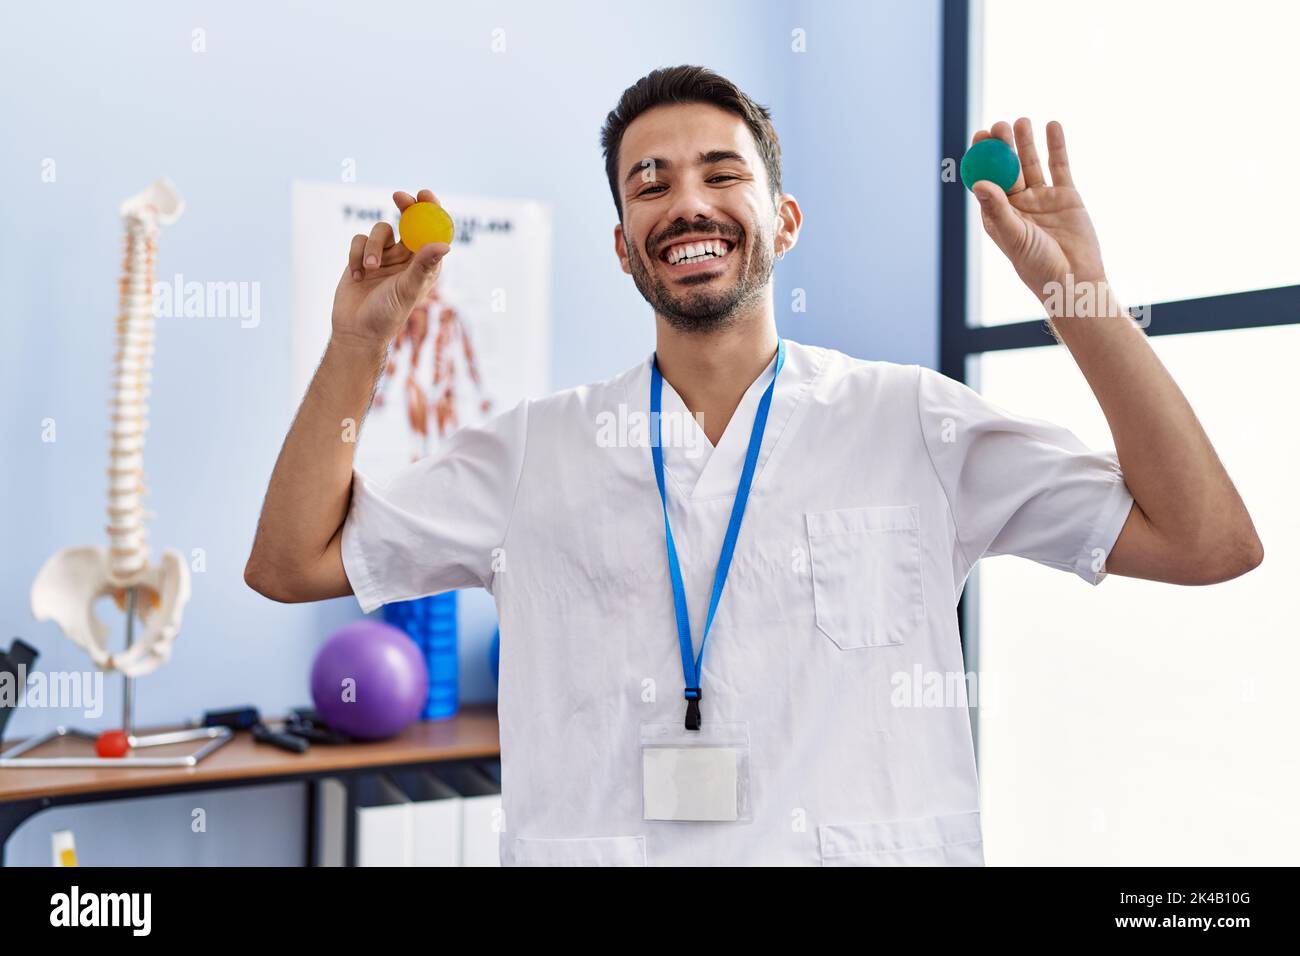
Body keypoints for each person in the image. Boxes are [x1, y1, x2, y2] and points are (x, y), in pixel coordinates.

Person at [244, 65, 1262, 866]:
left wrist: (1079, 298)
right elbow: (290, 562)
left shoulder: (911, 419)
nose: (686, 202)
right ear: (623, 245)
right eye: (651, 182)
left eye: (721, 172)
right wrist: (359, 347)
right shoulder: (532, 451)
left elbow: (1207, 539)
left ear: (782, 220)